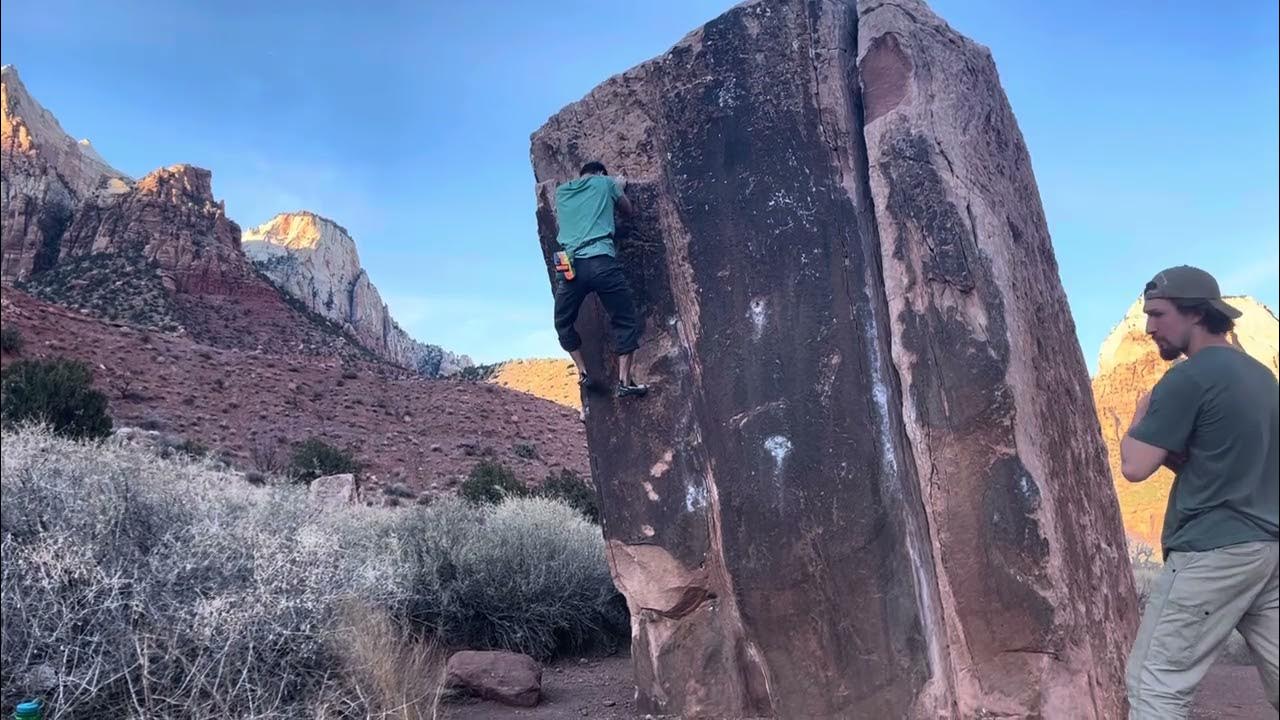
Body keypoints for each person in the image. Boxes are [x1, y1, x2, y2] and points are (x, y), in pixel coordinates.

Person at [1121, 265, 1279, 718]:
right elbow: (1225, 460)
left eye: (1158, 314)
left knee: (1155, 684)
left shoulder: (1189, 378)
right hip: (1268, 550)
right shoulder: (1261, 379)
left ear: (1195, 314)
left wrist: (1137, 420)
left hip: (1211, 552)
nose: (1150, 327)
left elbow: (1134, 467)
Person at [552, 160, 648, 401]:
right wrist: (618, 188)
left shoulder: (562, 192)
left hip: (570, 267)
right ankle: (625, 382)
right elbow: (628, 211)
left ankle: (583, 372)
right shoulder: (606, 183)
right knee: (624, 318)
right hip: (602, 262)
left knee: (562, 322)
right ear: (600, 173)